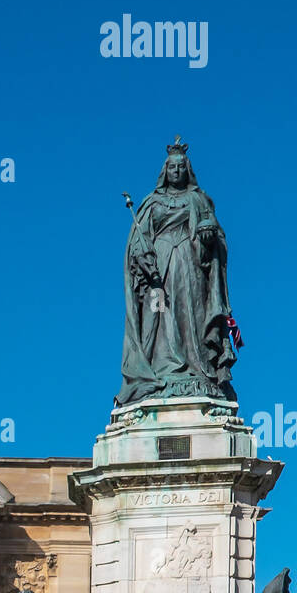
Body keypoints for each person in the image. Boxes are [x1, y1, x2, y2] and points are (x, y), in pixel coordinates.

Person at [118, 140, 238, 406]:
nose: (176, 171)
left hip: (188, 262)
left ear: (187, 170)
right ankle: (158, 372)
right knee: (156, 318)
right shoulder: (152, 202)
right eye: (171, 167)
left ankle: (197, 370)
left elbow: (215, 235)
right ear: (165, 170)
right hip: (157, 267)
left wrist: (208, 236)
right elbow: (138, 241)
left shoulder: (198, 199)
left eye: (180, 167)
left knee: (190, 314)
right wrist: (143, 257)